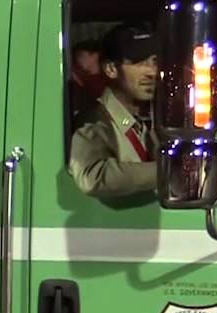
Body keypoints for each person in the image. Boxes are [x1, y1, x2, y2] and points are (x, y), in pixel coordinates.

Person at [68, 24, 160, 200]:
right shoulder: (94, 121)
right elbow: (92, 175)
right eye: (139, 62)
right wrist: (170, 171)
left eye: (155, 61)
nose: (152, 72)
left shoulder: (155, 119)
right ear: (111, 69)